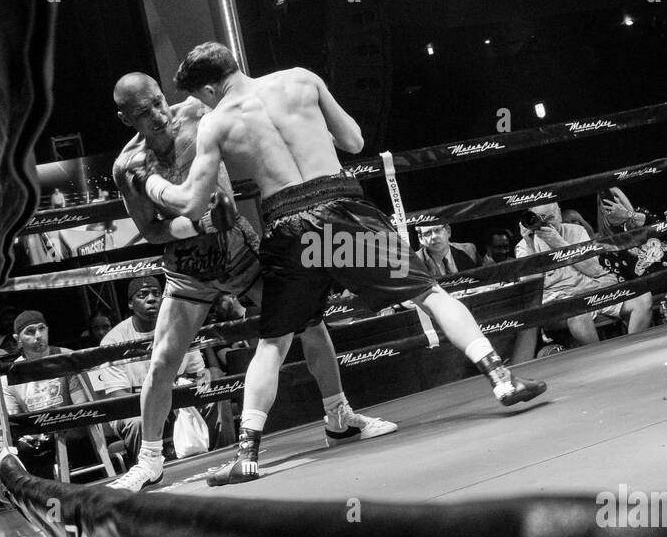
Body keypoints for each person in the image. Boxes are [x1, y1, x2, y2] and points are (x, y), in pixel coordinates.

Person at [139, 43, 545, 486]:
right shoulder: (300, 77)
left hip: (288, 231)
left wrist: (152, 183)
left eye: (202, 96)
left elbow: (192, 203)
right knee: (430, 294)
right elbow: (354, 140)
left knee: (274, 342)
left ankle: (248, 455)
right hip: (341, 216)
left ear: (211, 87)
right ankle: (502, 379)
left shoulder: (216, 123)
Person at [110, 71, 398, 491]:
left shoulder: (197, 113)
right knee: (161, 363)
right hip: (188, 269)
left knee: (308, 322)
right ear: (125, 119)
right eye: (143, 112)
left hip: (240, 253)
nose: (158, 116)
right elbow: (151, 231)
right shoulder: (128, 166)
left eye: (158, 102)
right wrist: (200, 224)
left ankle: (339, 418)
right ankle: (149, 461)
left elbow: (251, 100)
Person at [93, 275, 222, 463]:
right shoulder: (113, 341)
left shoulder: (180, 326)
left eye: (156, 293)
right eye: (143, 295)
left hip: (178, 396)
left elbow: (199, 374)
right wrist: (158, 398)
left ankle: (221, 457)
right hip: (135, 406)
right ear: (130, 304)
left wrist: (197, 387)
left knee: (215, 395)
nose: (151, 299)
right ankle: (149, 472)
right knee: (137, 422)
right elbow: (119, 396)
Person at [516, 203, 653, 345]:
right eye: (540, 218)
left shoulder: (577, 231)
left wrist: (560, 244)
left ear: (559, 213)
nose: (545, 223)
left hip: (592, 291)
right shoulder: (524, 245)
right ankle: (600, 359)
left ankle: (633, 348)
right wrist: (530, 245)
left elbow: (594, 270)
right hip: (564, 301)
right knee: (579, 310)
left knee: (643, 297)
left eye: (550, 217)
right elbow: (530, 289)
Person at [0, 310, 110, 480]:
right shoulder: (10, 376)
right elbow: (16, 419)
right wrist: (34, 433)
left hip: (72, 426)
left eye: (42, 329)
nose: (38, 335)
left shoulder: (67, 357)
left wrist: (59, 424)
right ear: (17, 339)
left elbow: (82, 403)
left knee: (76, 439)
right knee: (22, 450)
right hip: (38, 433)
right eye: (30, 331)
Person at [414, 222, 480, 276]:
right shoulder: (413, 262)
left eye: (437, 230)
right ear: (421, 239)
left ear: (448, 231)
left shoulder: (469, 250)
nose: (434, 236)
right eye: (428, 233)